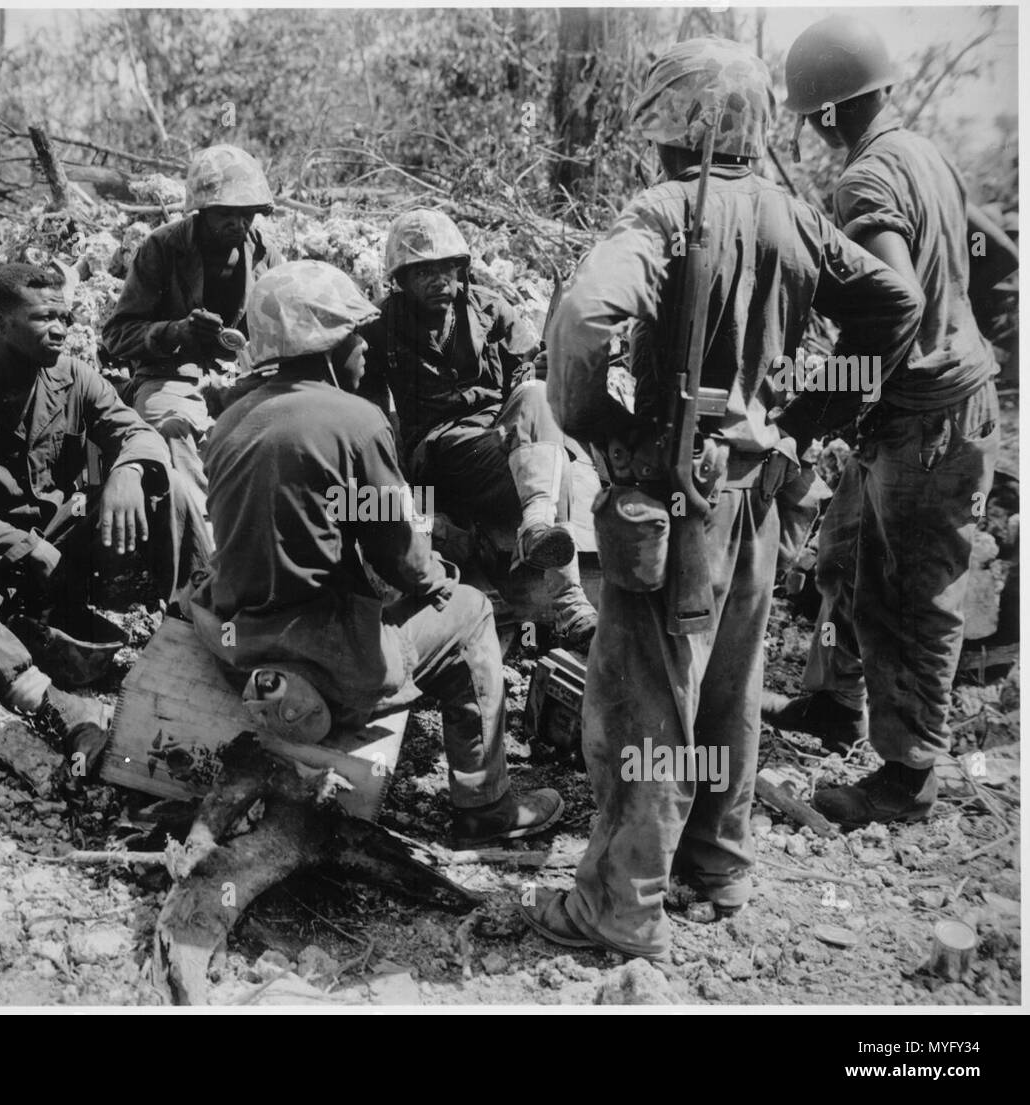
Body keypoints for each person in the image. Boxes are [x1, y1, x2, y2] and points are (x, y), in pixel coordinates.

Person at [518, 37, 922, 959]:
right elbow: (893, 304)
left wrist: (598, 425)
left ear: (674, 123)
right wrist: (808, 415)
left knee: (644, 702)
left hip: (674, 498)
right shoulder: (791, 212)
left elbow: (581, 324)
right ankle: (719, 861)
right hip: (758, 494)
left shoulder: (662, 212)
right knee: (735, 682)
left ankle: (622, 905)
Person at [185, 259, 564, 846]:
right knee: (471, 613)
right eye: (356, 336)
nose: (366, 348)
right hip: (327, 655)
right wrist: (440, 576)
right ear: (328, 348)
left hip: (244, 641)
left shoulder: (231, 418)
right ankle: (486, 808)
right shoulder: (357, 422)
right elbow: (404, 561)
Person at [766, 16, 1016, 825]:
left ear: (829, 113)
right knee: (841, 555)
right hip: (918, 408)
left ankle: (908, 775)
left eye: (809, 118)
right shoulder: (926, 155)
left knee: (911, 594)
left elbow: (893, 305)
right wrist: (976, 335)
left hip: (928, 420)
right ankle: (835, 702)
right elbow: (997, 259)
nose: (808, 132)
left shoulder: (867, 182)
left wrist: (820, 405)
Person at [0, 263, 171, 769]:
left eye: (64, 316)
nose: (62, 328)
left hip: (69, 539)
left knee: (161, 483)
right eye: (44, 317)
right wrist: (28, 547)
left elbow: (139, 434)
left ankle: (189, 632)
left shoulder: (74, 377)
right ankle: (51, 702)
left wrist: (127, 473)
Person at [356, 210, 599, 649]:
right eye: (423, 271)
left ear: (461, 269)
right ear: (402, 279)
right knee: (550, 459)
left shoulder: (490, 309)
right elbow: (368, 410)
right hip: (438, 449)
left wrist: (540, 370)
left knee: (540, 399)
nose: (438, 280)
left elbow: (524, 371)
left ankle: (543, 537)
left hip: (500, 436)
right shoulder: (381, 326)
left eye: (446, 268)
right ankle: (566, 594)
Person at [101, 144, 284, 603]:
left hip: (243, 376)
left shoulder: (265, 253)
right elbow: (118, 335)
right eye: (227, 215)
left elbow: (285, 329)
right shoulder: (162, 249)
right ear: (202, 209)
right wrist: (175, 331)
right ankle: (207, 576)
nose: (239, 225)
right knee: (173, 434)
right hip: (169, 376)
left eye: (249, 214)